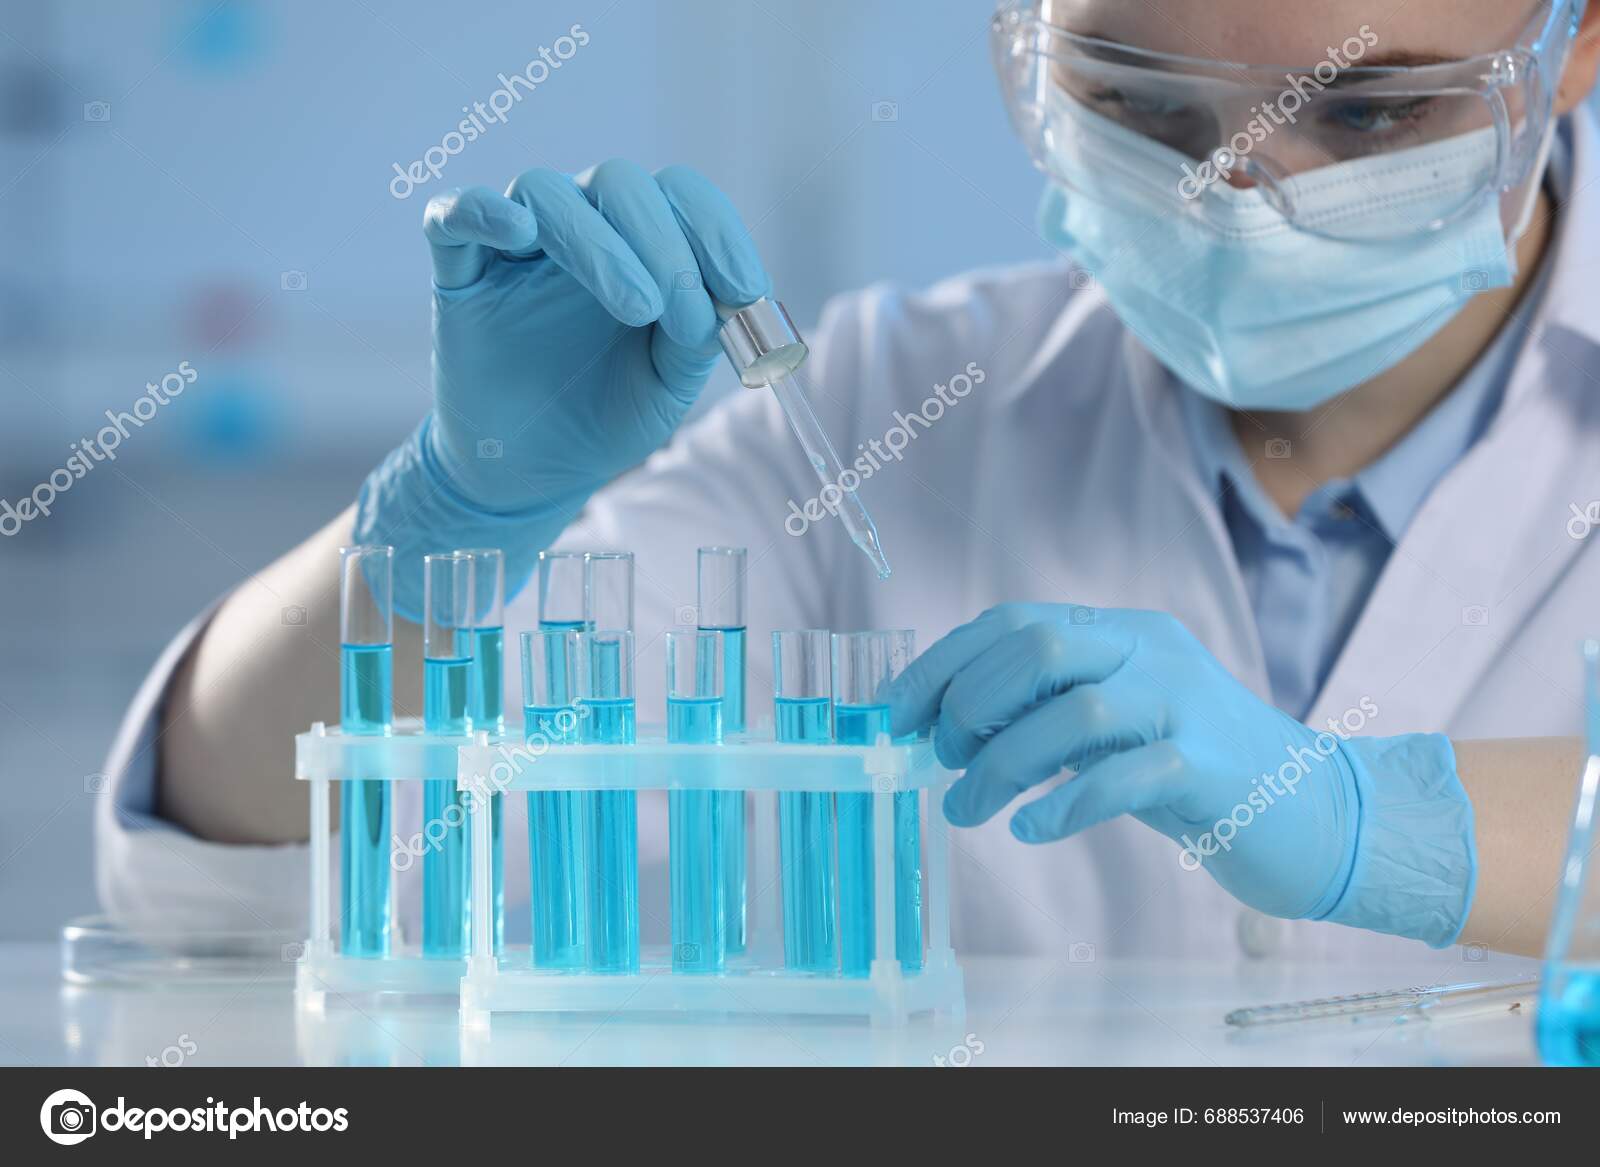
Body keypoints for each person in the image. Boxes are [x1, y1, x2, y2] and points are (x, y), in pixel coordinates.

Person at [100, 0, 1600, 964]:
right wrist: (452, 516)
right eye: (1141, 106)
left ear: (1575, 39)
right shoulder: (882, 412)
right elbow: (219, 881)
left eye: (1369, 114)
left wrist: (1363, 821)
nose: (1237, 202)